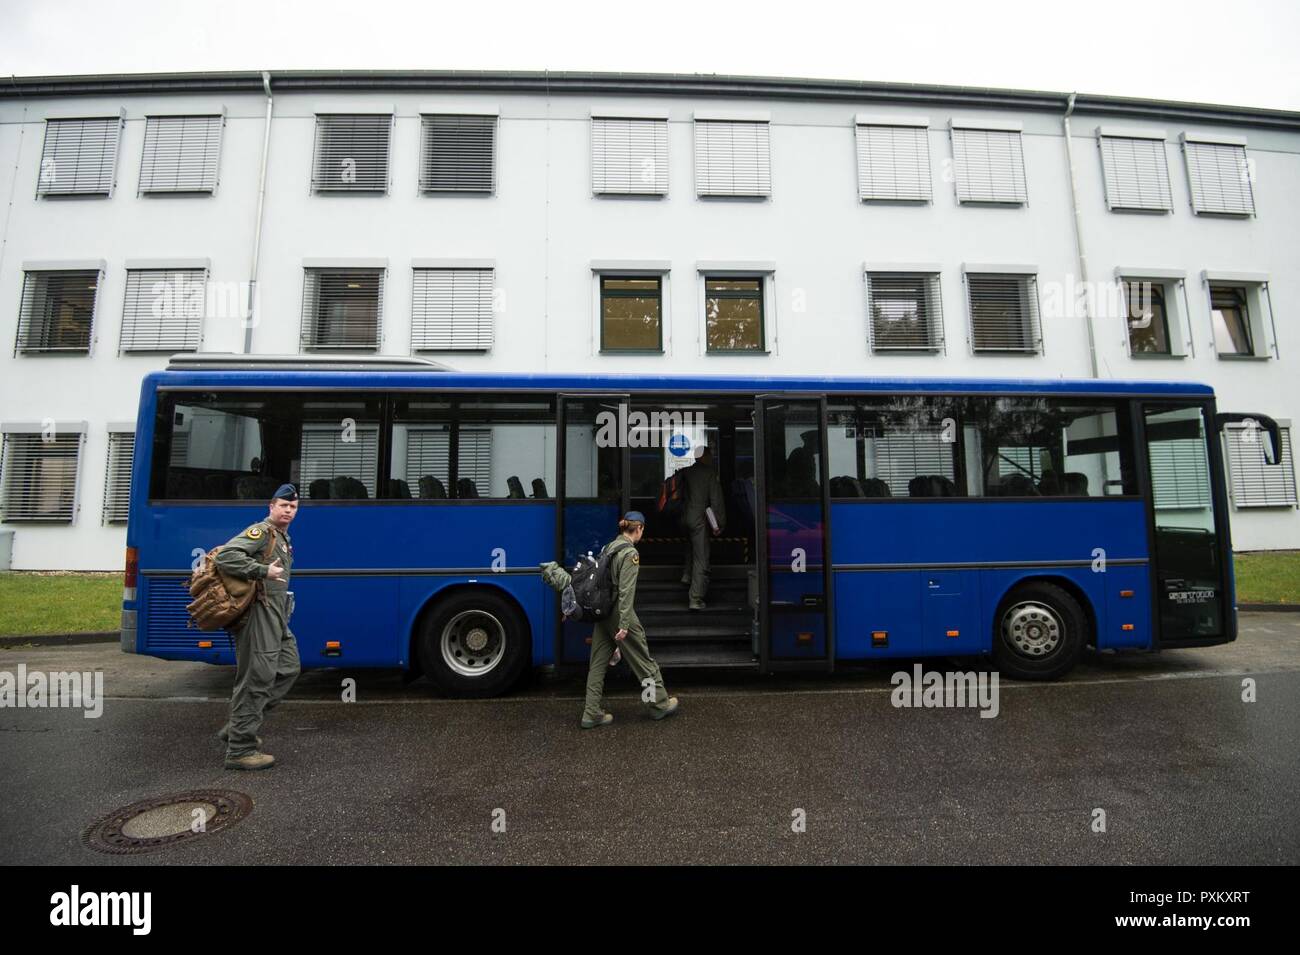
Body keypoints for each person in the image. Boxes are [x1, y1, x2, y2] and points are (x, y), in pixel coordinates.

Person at [215, 483, 301, 770]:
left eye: (293, 507)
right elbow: (226, 556)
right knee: (257, 678)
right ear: (272, 506)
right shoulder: (261, 532)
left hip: (277, 615)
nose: (289, 511)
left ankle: (238, 727)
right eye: (284, 506)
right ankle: (240, 749)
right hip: (259, 614)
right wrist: (262, 570)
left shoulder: (282, 537)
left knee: (288, 668)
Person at [582, 512, 678, 729]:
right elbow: (626, 591)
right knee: (642, 661)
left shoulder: (609, 547)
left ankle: (591, 713)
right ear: (640, 529)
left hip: (603, 613)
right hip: (619, 613)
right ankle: (658, 705)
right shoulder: (630, 553)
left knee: (597, 664)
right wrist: (624, 624)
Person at [679, 445, 725, 611]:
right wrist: (718, 524)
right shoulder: (709, 474)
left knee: (690, 547)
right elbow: (716, 502)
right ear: (703, 457)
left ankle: (686, 575)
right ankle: (696, 598)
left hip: (684, 518)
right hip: (699, 519)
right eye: (710, 455)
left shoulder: (686, 472)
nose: (711, 458)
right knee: (701, 557)